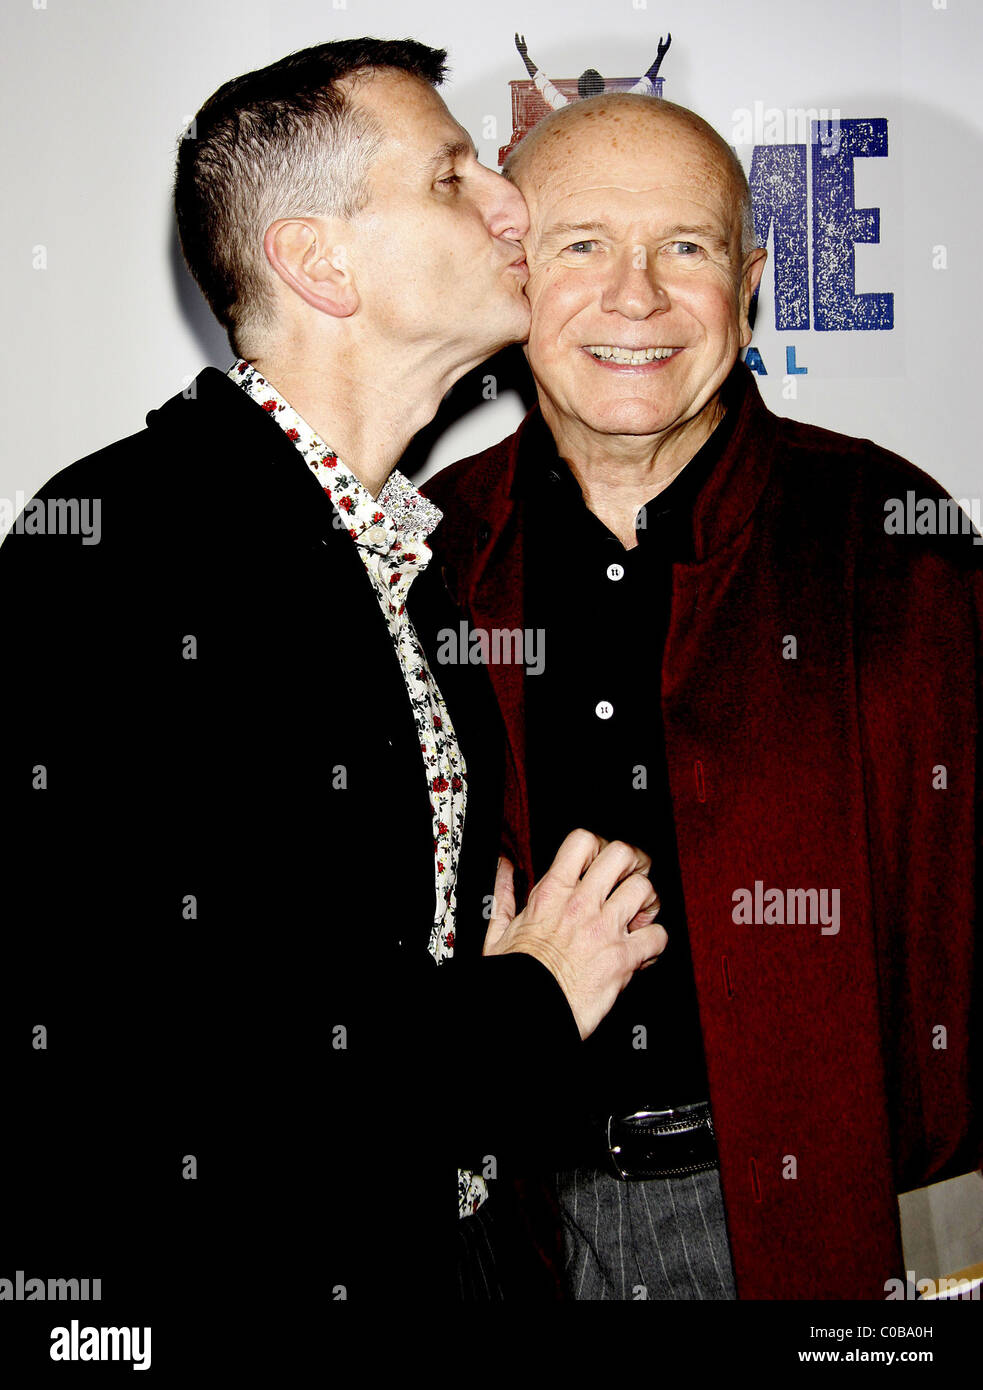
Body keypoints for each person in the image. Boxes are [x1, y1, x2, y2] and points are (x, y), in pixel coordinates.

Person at [0, 41, 668, 1338]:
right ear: (318, 260)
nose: (508, 202)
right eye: (449, 175)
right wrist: (528, 1000)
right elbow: (186, 1060)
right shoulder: (126, 545)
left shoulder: (399, 562)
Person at [422, 92, 981, 1300]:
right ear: (514, 276)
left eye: (685, 246)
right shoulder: (429, 554)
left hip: (819, 1232)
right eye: (581, 247)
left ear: (753, 279)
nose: (635, 297)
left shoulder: (895, 541)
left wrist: (948, 1251)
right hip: (503, 1239)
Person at [514, 31, 671, 105]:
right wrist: (660, 56)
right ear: (602, 88)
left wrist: (524, 55)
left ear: (580, 91)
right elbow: (646, 83)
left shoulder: (566, 108)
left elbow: (542, 83)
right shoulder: (618, 106)